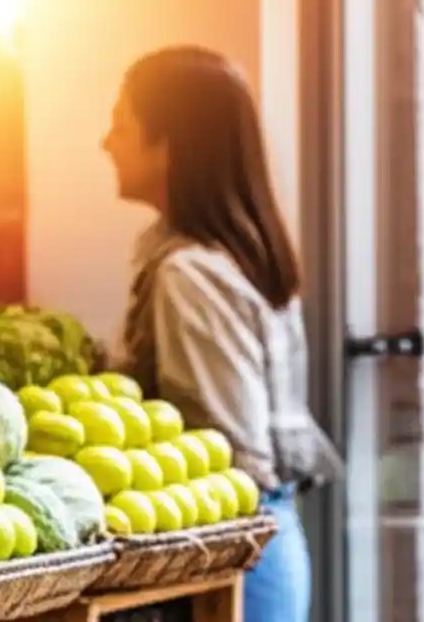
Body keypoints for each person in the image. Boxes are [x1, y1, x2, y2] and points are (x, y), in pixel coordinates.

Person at [104, 46, 342, 622]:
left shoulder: (189, 273)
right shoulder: (231, 253)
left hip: (238, 561)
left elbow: (231, 452)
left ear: (168, 144)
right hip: (269, 544)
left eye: (122, 124)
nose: (107, 142)